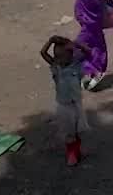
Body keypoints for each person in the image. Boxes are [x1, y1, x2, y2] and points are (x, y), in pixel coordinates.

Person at [40, 35, 92, 167]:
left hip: (77, 104)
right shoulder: (56, 68)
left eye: (64, 56)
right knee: (69, 133)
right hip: (64, 107)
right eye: (57, 57)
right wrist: (50, 41)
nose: (60, 59)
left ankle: (78, 151)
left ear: (71, 55)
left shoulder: (76, 66)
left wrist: (76, 44)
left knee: (77, 131)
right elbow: (43, 53)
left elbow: (88, 52)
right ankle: (71, 155)